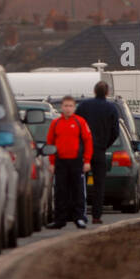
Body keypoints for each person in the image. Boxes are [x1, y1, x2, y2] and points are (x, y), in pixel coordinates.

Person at [76, 80, 121, 224]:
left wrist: (81, 143)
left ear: (94, 91)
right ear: (107, 93)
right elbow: (115, 132)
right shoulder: (111, 108)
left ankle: (78, 213)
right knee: (99, 185)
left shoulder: (84, 106)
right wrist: (105, 145)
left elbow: (76, 123)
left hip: (83, 151)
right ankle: (96, 216)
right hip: (100, 151)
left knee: (80, 182)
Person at [44, 94, 92, 229]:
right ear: (61, 107)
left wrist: (87, 160)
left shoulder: (80, 122)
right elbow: (50, 143)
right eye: (65, 106)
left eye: (70, 106)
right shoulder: (56, 123)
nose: (68, 108)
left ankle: (79, 218)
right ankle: (60, 219)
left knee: (78, 190)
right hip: (61, 162)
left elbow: (88, 141)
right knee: (60, 191)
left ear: (74, 107)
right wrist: (52, 163)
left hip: (76, 162)